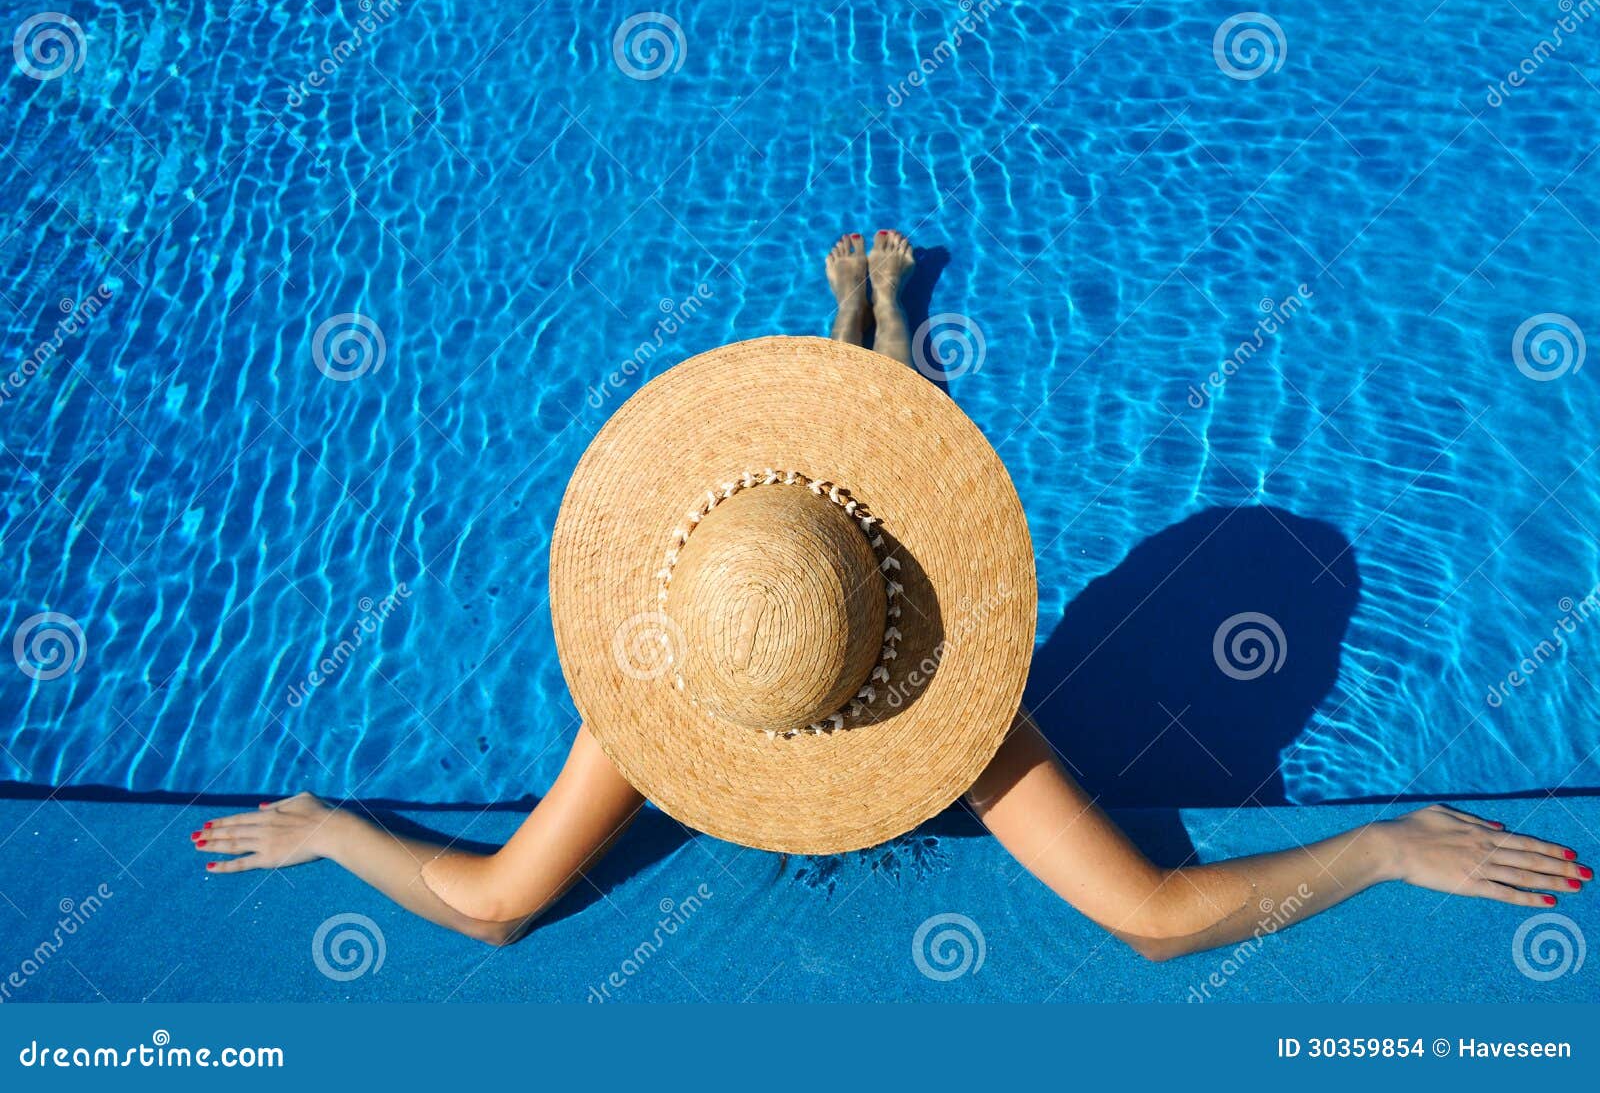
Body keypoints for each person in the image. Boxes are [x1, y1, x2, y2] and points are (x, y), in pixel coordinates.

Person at [192, 231, 1588, 958]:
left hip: (788, 602)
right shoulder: (960, 714)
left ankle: (873, 338)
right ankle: (881, 344)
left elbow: (494, 906)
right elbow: (1156, 920)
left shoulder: (653, 678)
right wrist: (1382, 848)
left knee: (821, 537)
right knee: (874, 522)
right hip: (872, 630)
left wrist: (334, 832)